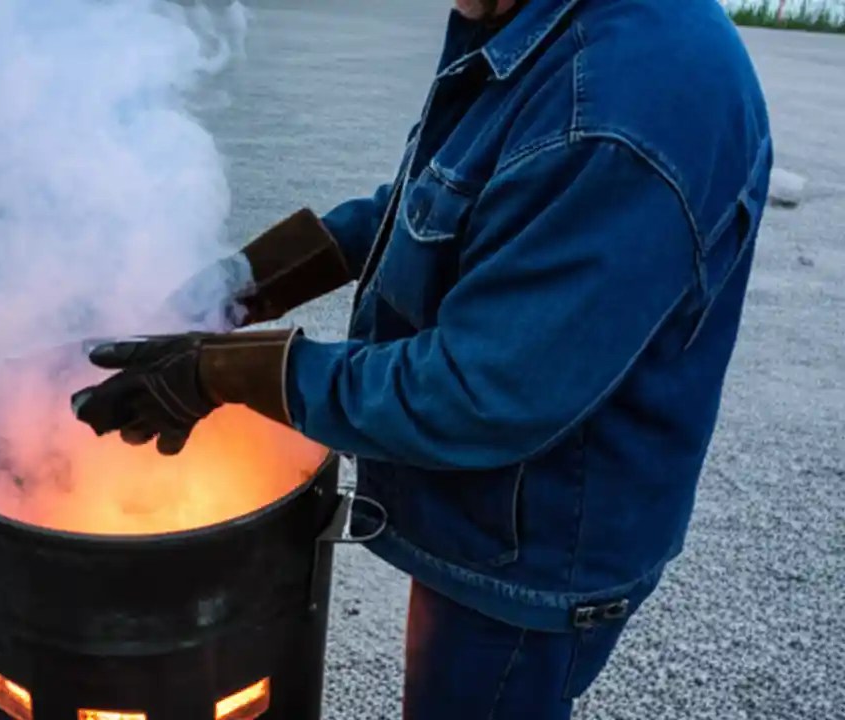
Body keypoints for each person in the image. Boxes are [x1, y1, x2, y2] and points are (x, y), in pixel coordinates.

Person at [71, 0, 772, 716]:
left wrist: (215, 374)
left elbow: (477, 392)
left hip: (535, 547)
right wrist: (240, 288)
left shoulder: (615, 107)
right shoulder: (538, 26)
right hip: (495, 509)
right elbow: (434, 201)